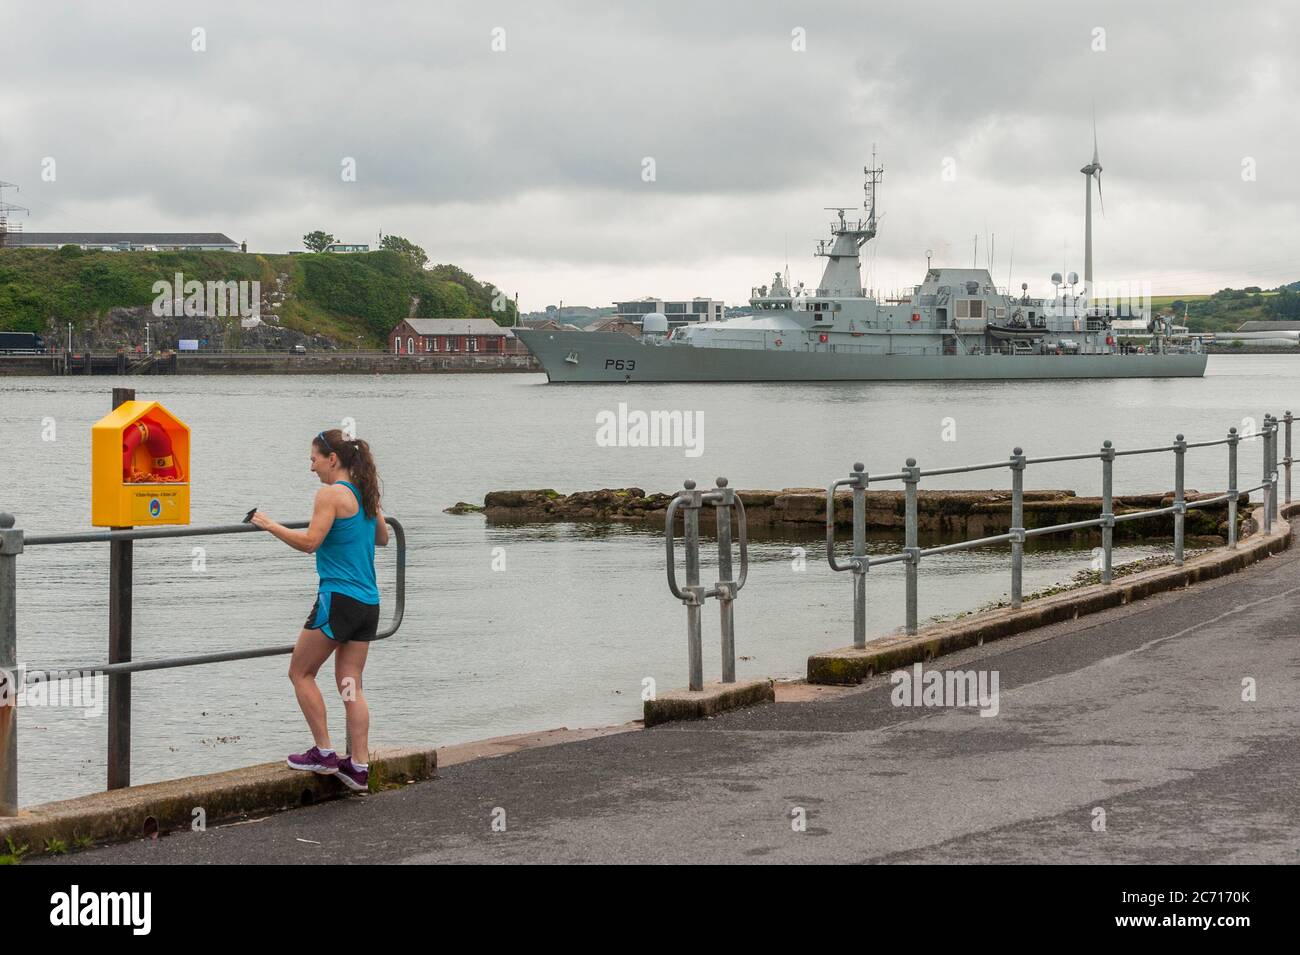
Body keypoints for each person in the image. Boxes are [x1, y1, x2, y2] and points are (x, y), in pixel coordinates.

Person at [251, 429, 388, 792]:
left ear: (332, 459)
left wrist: (269, 525)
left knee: (300, 672)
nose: (311, 467)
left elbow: (311, 542)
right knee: (350, 684)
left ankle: (325, 753)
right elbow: (383, 537)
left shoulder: (329, 495)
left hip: (338, 598)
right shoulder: (366, 492)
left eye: (314, 459)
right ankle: (359, 766)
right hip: (368, 602)